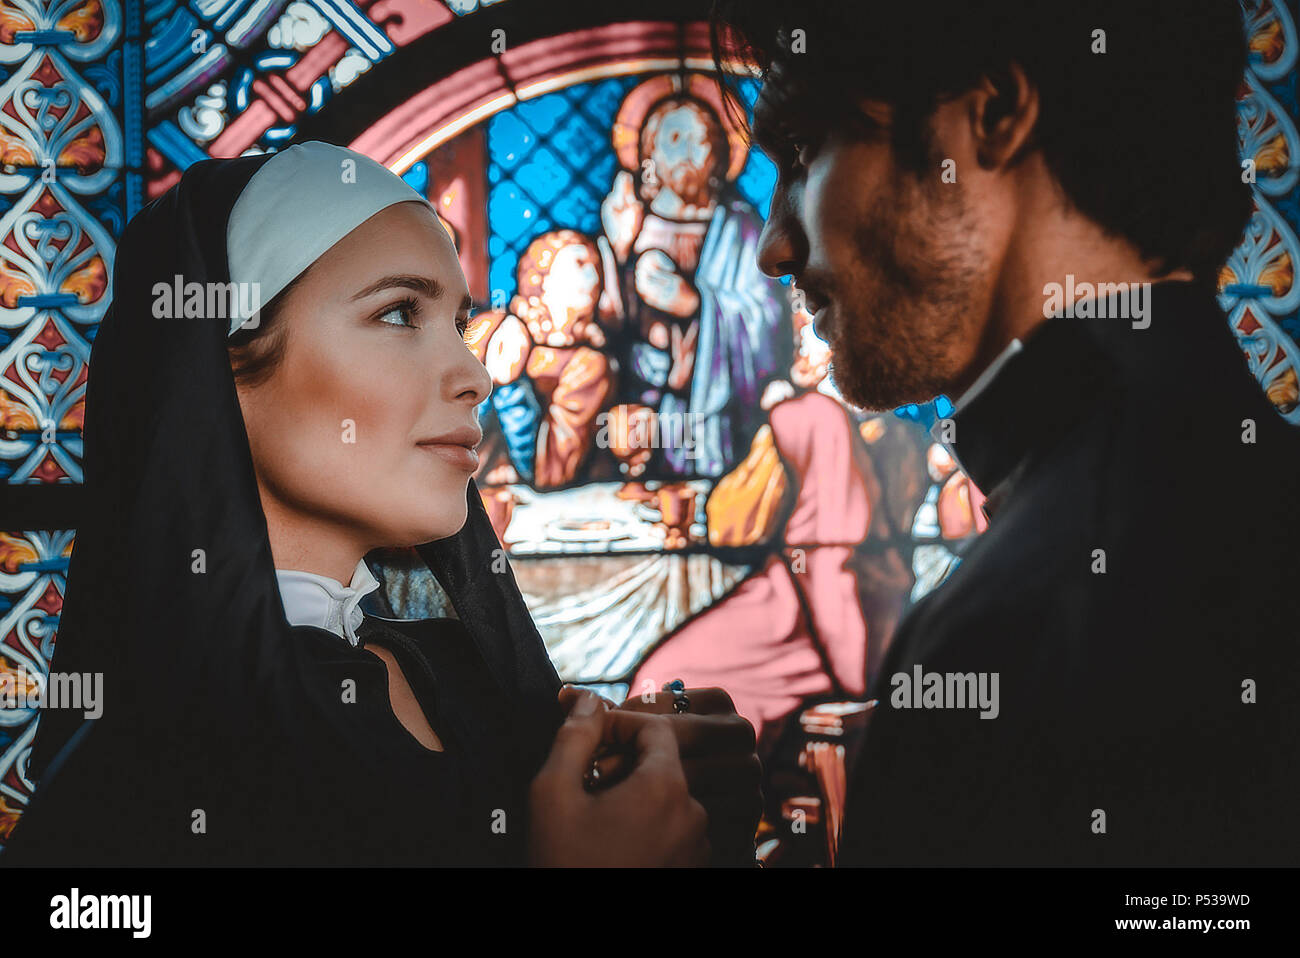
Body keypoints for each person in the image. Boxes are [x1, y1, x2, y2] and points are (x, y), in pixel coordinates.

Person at [1, 141, 758, 867]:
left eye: (460, 324)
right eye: (399, 313)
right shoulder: (141, 773)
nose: (475, 375)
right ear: (219, 370)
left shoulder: (463, 677)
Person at [709, 0, 1300, 864]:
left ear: (990, 116)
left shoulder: (1013, 632)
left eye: (804, 151)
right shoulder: (1236, 490)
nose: (775, 246)